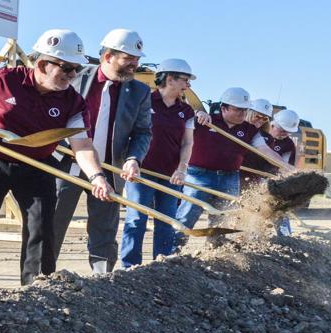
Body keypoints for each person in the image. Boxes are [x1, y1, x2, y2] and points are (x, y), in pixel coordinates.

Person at [0, 28, 112, 300]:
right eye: (68, 68)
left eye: (77, 70)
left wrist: (96, 177)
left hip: (37, 166)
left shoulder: (74, 102)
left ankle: (37, 291)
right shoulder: (2, 79)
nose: (73, 75)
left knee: (41, 228)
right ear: (42, 64)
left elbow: (82, 146)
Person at [50, 28, 149, 274]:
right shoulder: (75, 78)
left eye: (136, 60)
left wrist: (134, 158)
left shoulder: (139, 92)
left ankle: (102, 278)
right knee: (53, 222)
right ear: (107, 57)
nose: (134, 65)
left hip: (109, 170)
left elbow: (143, 132)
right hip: (68, 164)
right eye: (128, 59)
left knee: (104, 229)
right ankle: (42, 275)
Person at [120, 57, 193, 265]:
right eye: (185, 80)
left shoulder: (186, 111)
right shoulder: (145, 101)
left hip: (171, 176)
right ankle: (129, 267)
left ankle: (161, 266)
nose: (187, 86)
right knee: (136, 220)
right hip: (141, 173)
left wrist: (182, 168)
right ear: (170, 79)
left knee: (166, 222)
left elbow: (187, 143)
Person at [175, 86, 261, 229]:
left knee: (223, 222)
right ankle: (173, 249)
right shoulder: (206, 121)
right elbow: (182, 114)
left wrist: (287, 167)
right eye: (238, 109)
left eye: (245, 110)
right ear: (224, 108)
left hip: (230, 178)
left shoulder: (249, 129)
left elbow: (265, 149)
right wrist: (197, 113)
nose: (242, 113)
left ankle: (217, 249)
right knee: (187, 216)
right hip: (199, 176)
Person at [260, 109, 302, 236]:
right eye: (283, 130)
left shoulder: (288, 145)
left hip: (272, 181)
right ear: (272, 125)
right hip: (252, 177)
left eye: (288, 132)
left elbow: (285, 167)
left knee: (279, 210)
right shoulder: (259, 136)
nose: (285, 134)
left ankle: (285, 237)